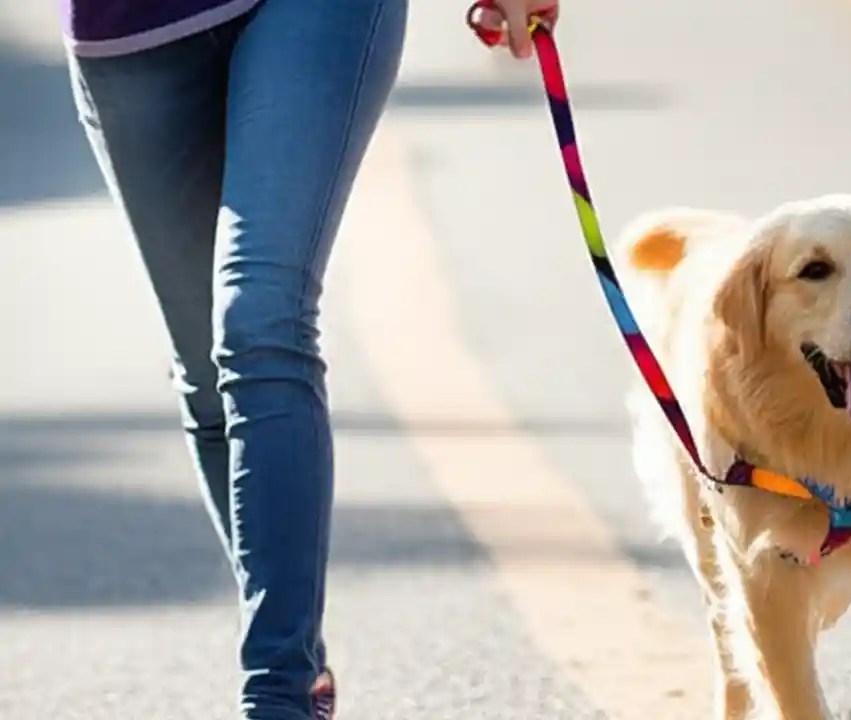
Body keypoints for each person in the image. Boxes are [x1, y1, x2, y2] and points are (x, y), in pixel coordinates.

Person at [62, 0, 559, 717]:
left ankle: (279, 695)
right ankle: (299, 666)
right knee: (207, 376)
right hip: (126, 26)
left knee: (260, 324)